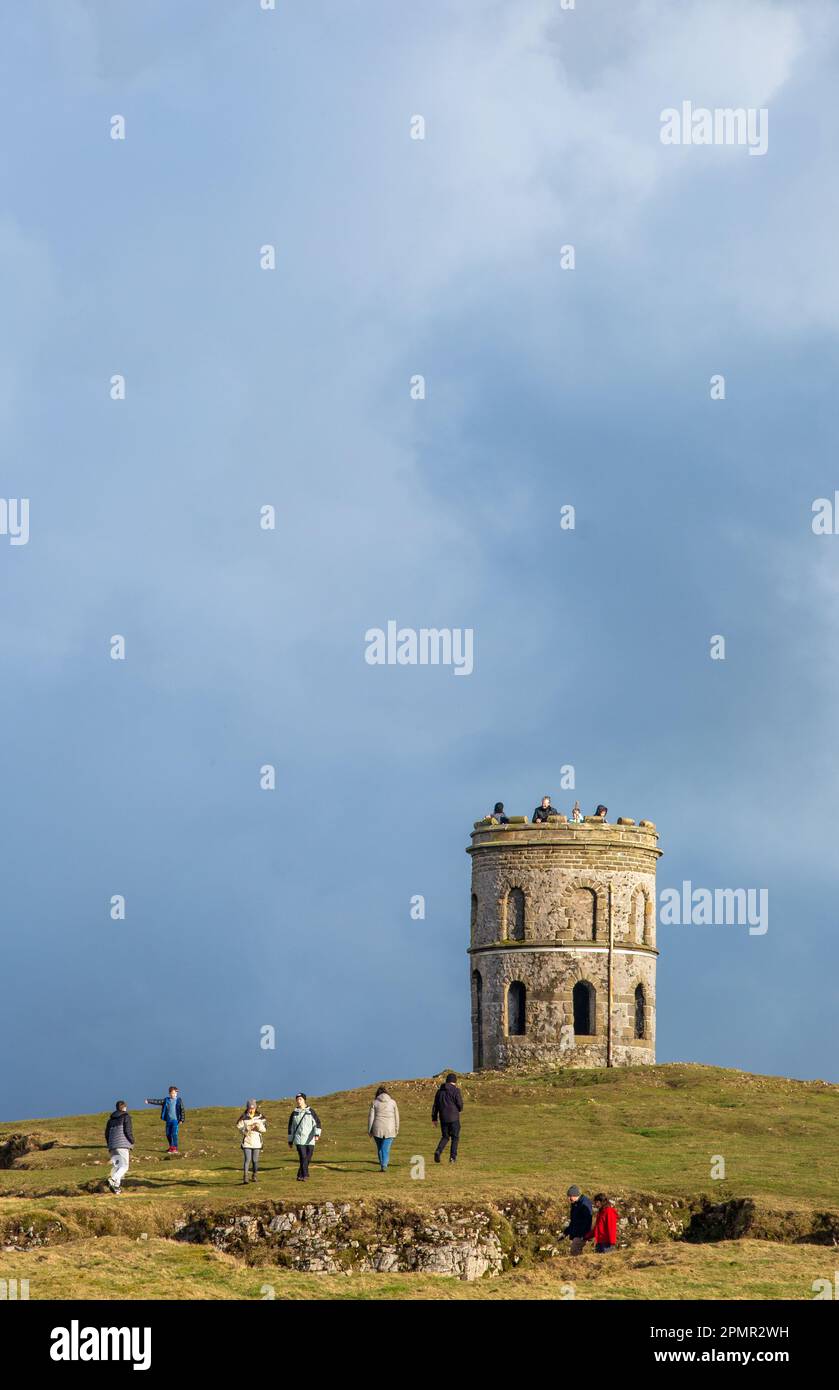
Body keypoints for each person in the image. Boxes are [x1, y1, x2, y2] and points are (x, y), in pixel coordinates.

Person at [287, 1093, 322, 1181]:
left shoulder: (311, 1111)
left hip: (310, 1139)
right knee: (303, 1157)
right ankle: (305, 1174)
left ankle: (299, 1175)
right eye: (297, 1099)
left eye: (300, 1099)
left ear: (304, 1100)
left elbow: (317, 1123)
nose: (298, 1101)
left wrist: (316, 1134)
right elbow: (291, 1127)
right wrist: (290, 1140)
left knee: (308, 1158)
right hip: (299, 1139)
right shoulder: (294, 1113)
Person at [432, 1072, 464, 1163]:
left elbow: (435, 1106)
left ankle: (438, 1151)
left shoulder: (439, 1091)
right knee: (455, 1137)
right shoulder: (456, 1090)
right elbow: (460, 1104)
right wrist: (459, 1109)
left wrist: (434, 1118)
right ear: (454, 1081)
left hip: (443, 1118)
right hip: (454, 1118)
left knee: (445, 1136)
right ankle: (452, 1158)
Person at [367, 1085, 400, 1171]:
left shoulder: (374, 1102)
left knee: (380, 1148)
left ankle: (383, 1164)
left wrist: (369, 1130)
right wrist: (397, 1128)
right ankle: (384, 1165)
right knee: (385, 1148)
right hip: (390, 1129)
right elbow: (397, 1116)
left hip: (377, 1129)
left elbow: (371, 1117)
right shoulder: (393, 1102)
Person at [104, 1101, 134, 1195]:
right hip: (122, 1145)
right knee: (125, 1166)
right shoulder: (126, 1117)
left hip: (112, 1146)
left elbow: (106, 1134)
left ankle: (116, 1188)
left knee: (117, 1166)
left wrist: (109, 1144)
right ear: (124, 1108)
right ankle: (112, 1180)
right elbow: (127, 1131)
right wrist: (132, 1141)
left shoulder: (110, 1120)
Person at [144, 1087, 186, 1153]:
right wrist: (149, 1101)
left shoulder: (179, 1100)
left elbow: (182, 1110)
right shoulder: (166, 1100)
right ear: (169, 1093)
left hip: (175, 1120)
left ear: (176, 1093)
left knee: (174, 1134)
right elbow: (157, 1101)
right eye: (172, 1093)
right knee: (168, 1134)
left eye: (175, 1093)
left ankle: (175, 1148)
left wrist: (182, 1119)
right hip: (168, 1120)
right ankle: (171, 1147)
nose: (173, 1094)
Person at [237, 1100, 267, 1184]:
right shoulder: (243, 1117)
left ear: (256, 1107)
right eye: (250, 1108)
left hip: (257, 1142)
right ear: (247, 1108)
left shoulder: (261, 1117)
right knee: (247, 1160)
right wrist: (246, 1129)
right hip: (247, 1141)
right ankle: (245, 1177)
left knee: (255, 1160)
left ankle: (254, 1175)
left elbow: (264, 1129)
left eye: (253, 1108)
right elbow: (239, 1127)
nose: (251, 1110)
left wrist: (258, 1126)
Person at [563, 1185, 593, 1255]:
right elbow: (574, 1221)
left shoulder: (584, 1204)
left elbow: (588, 1220)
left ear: (575, 1195)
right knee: (575, 1251)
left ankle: (579, 1265)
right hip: (577, 1233)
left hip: (581, 1234)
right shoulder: (575, 1204)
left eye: (570, 1196)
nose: (569, 1198)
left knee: (574, 1250)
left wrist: (584, 1235)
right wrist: (566, 1232)